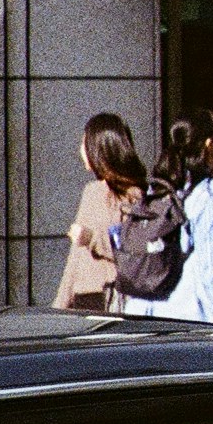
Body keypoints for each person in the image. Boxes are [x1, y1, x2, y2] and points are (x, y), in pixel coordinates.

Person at [135, 113, 213, 324]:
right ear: (210, 144)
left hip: (150, 312)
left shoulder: (158, 189)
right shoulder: (211, 194)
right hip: (194, 319)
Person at [56, 112, 146, 312]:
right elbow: (75, 259)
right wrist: (59, 307)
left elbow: (133, 250)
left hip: (114, 299)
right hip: (84, 298)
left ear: (100, 148)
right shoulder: (91, 191)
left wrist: (92, 239)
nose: (81, 150)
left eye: (85, 143)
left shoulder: (133, 195)